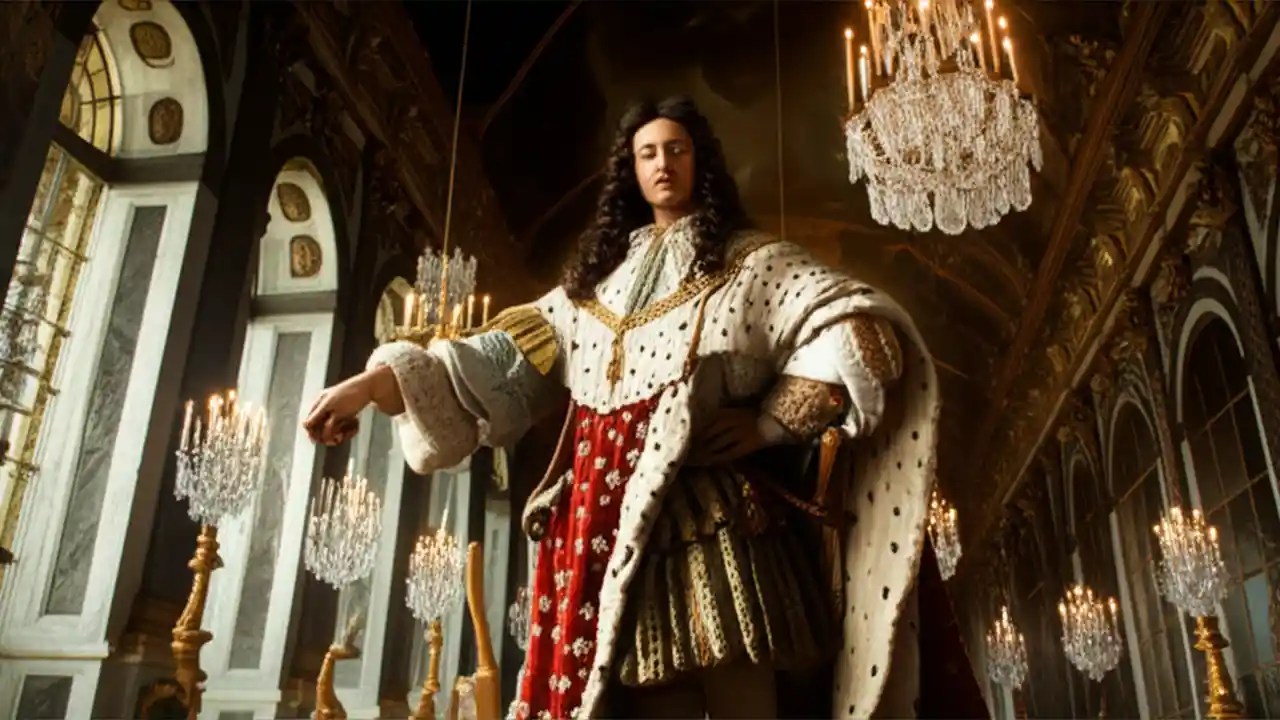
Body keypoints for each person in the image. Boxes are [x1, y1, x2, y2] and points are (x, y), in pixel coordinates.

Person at [304, 96, 940, 720]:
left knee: (738, 689)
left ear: (701, 162)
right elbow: (481, 361)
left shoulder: (753, 264)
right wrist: (366, 384)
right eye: (647, 154)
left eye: (676, 150)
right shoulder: (589, 292)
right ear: (631, 171)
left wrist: (770, 423)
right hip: (592, 537)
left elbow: (858, 333)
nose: (662, 164)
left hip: (711, 524)